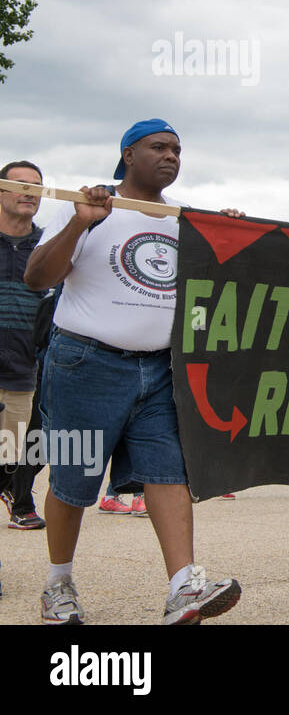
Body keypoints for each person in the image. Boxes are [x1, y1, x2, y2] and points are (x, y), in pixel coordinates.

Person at [25, 118, 243, 624]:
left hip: (161, 370)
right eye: (158, 147)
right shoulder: (89, 207)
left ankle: (183, 588)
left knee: (169, 473)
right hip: (85, 363)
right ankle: (58, 584)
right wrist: (82, 222)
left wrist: (233, 236)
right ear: (127, 154)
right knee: (73, 480)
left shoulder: (185, 220)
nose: (171, 156)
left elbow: (220, 284)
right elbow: (38, 277)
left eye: (177, 150)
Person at [0, 161, 48, 530]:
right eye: (19, 184)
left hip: (22, 372)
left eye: (35, 186)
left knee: (13, 456)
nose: (28, 192)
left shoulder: (49, 245)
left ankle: (18, 494)